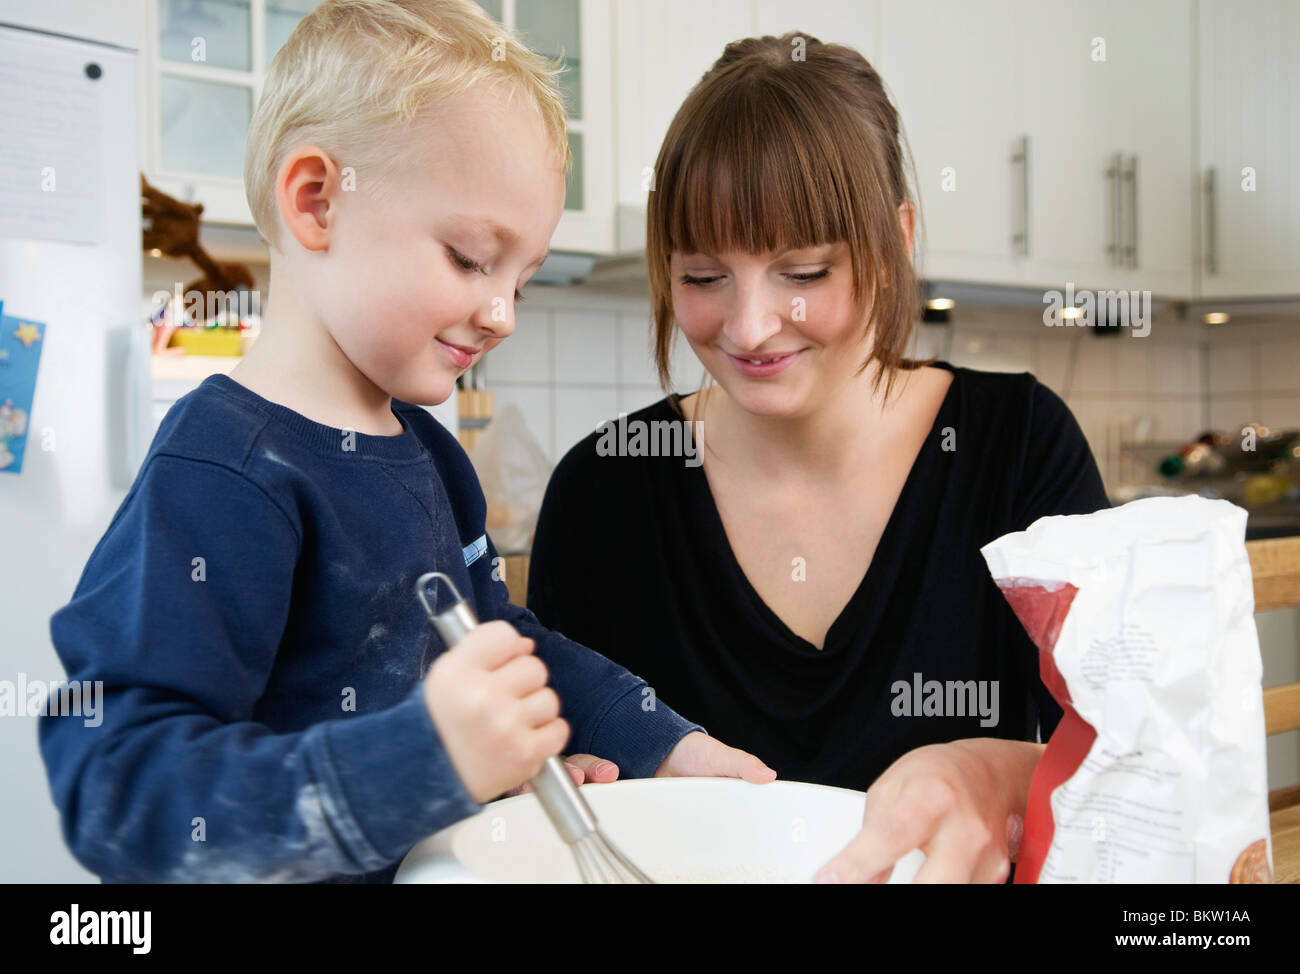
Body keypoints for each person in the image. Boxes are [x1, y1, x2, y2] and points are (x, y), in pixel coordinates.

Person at [38, 0, 771, 885]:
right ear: (317, 203)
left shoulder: (428, 449)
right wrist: (425, 766)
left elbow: (501, 644)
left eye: (523, 280)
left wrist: (664, 745)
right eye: (470, 257)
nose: (501, 314)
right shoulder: (227, 471)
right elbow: (118, 785)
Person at [528, 33, 1109, 883]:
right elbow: (555, 779)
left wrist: (996, 773)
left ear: (894, 244)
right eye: (701, 277)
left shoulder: (1016, 444)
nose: (751, 326)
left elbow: (1127, 760)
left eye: (802, 271)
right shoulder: (602, 487)